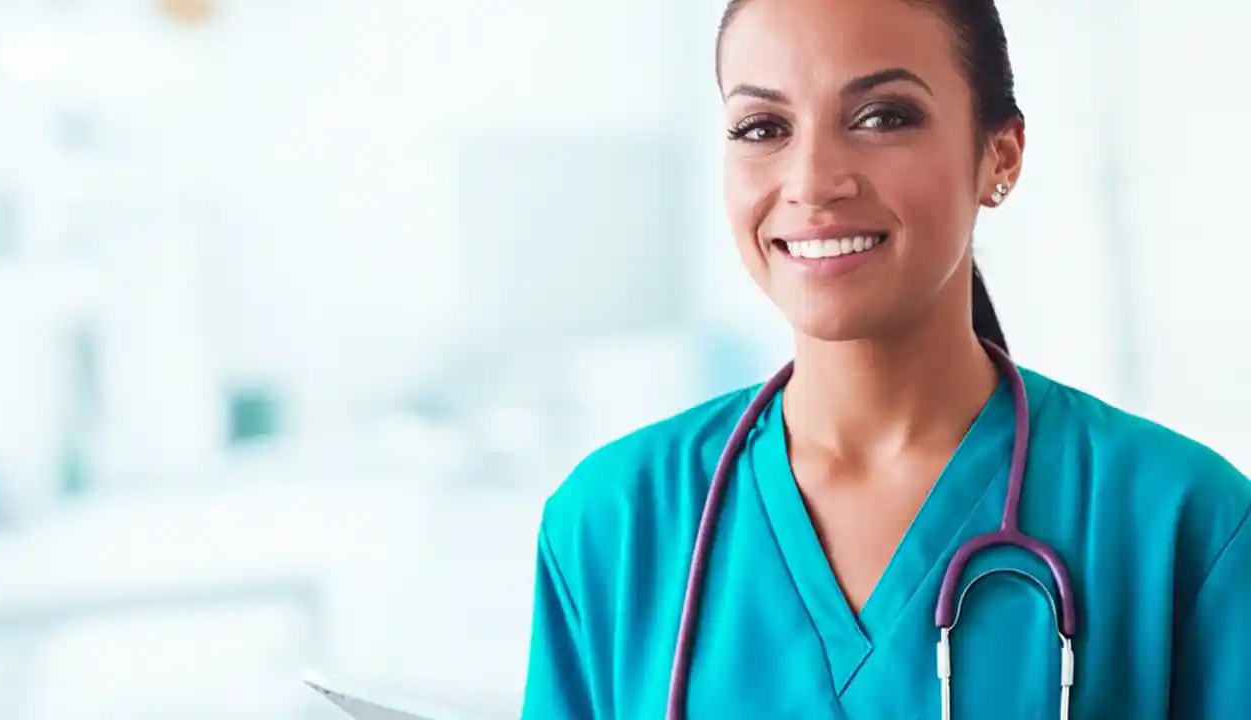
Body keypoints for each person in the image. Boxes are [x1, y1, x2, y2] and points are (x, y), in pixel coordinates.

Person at [520, 0, 1251, 717]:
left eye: (882, 118)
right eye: (763, 127)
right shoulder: (611, 524)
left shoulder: (1184, 524)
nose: (811, 181)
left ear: (1002, 153)